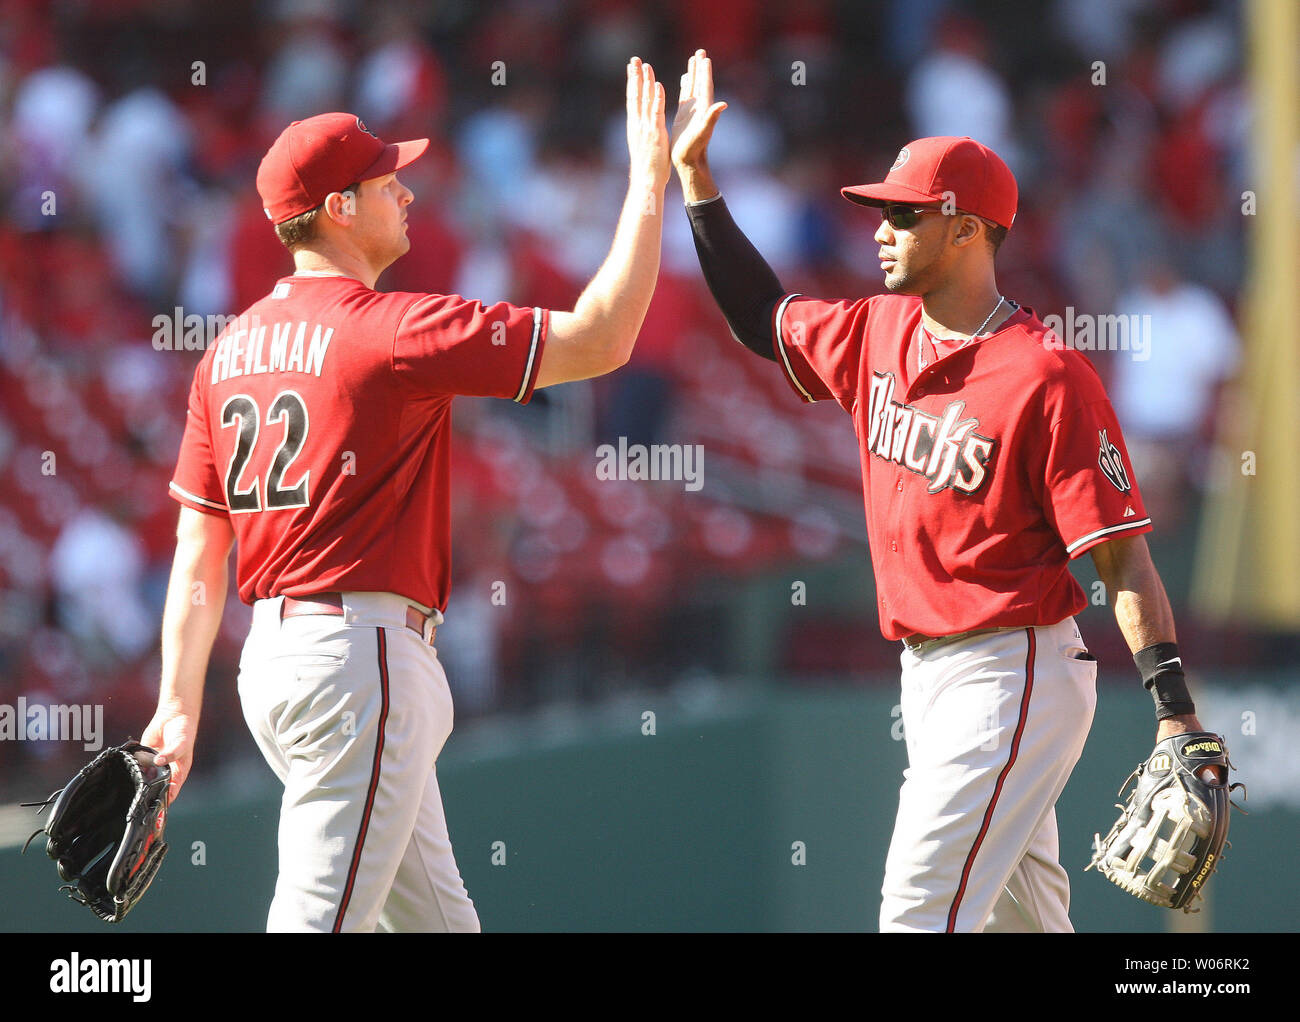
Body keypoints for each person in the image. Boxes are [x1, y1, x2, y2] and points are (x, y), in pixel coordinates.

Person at [670, 49, 1208, 932]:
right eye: (880, 212)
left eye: (903, 214)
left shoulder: (1045, 377)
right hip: (930, 678)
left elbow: (1122, 560)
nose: (879, 228)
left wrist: (1175, 712)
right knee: (1016, 922)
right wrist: (696, 183)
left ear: (967, 231)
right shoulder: (878, 327)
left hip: (1011, 669)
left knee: (917, 912)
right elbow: (762, 319)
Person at [142, 58, 671, 932]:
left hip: (274, 666)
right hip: (360, 661)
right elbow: (605, 340)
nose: (409, 196)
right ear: (339, 209)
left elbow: (200, 551)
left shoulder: (226, 351)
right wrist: (647, 186)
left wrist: (177, 704)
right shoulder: (391, 329)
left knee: (438, 924)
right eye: (388, 181)